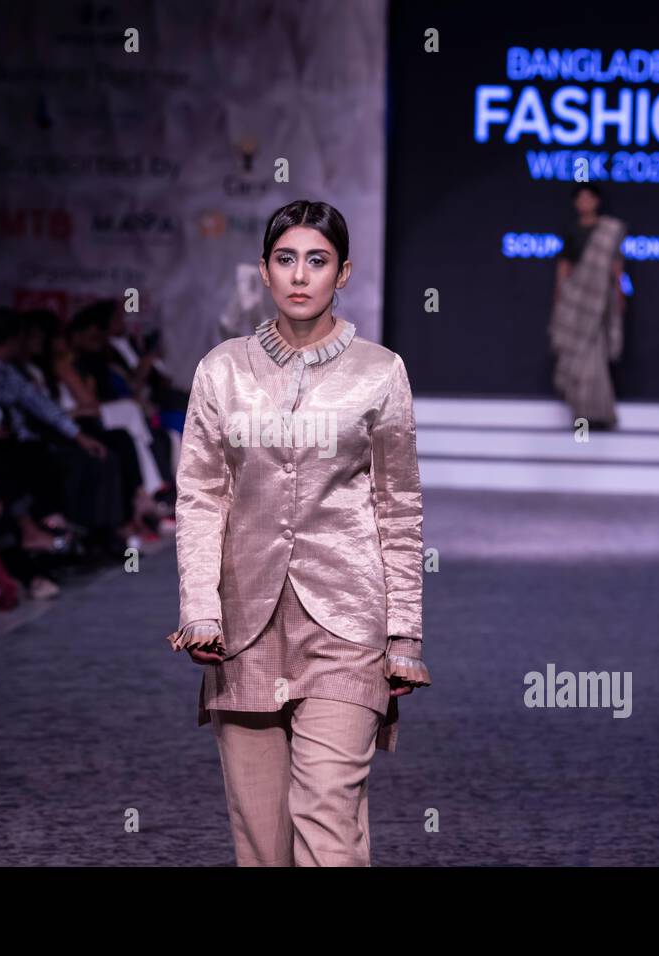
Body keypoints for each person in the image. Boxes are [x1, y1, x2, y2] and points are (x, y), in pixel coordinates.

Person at [166, 199, 431, 866]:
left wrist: (404, 636)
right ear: (263, 270)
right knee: (262, 842)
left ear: (344, 272)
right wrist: (199, 610)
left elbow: (398, 509)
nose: (300, 275)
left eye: (317, 260)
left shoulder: (380, 372)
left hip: (347, 621)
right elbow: (200, 498)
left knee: (328, 816)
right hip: (243, 625)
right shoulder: (221, 371)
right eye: (286, 259)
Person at [550, 182, 627, 429]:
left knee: (596, 358)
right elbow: (564, 267)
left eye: (589, 198)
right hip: (577, 301)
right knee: (576, 358)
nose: (585, 202)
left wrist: (619, 293)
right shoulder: (571, 231)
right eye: (580, 198)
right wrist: (561, 298)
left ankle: (602, 414)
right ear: (575, 203)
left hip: (599, 301)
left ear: (596, 201)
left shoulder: (608, 231)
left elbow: (616, 267)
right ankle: (581, 414)